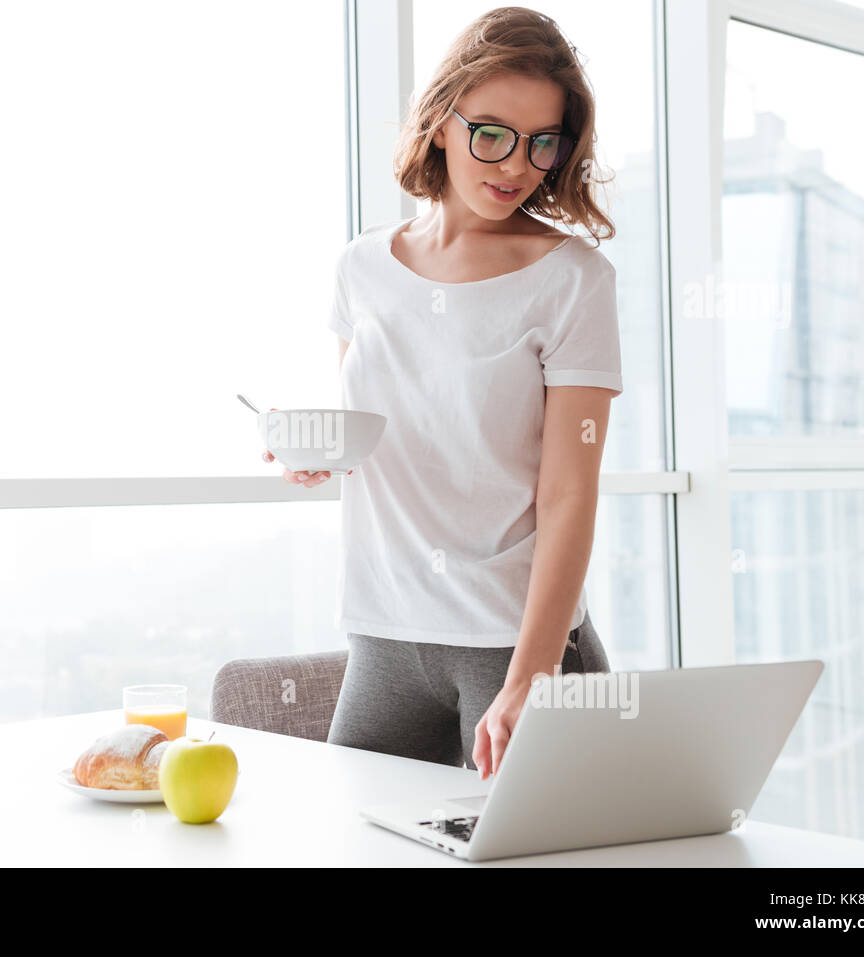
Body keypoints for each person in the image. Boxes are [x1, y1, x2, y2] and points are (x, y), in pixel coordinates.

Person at [263, 7, 622, 780]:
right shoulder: (361, 269)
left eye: (542, 142)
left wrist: (534, 673)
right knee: (356, 844)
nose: (516, 163)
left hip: (518, 641)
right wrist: (316, 452)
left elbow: (569, 493)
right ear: (440, 123)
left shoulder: (574, 281)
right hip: (386, 633)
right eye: (490, 132)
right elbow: (384, 432)